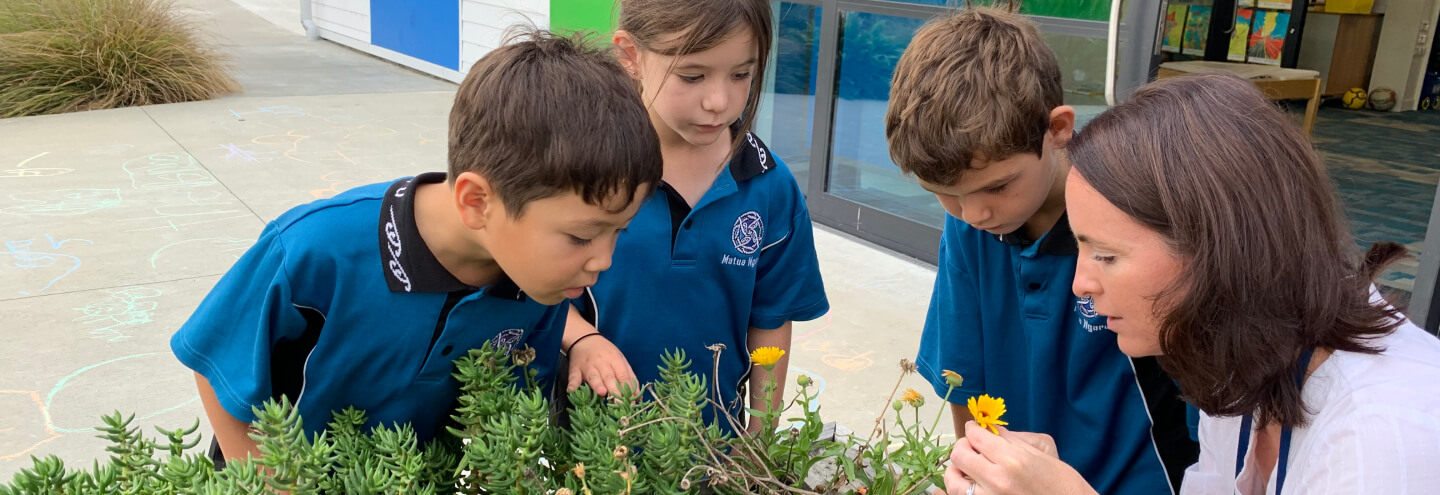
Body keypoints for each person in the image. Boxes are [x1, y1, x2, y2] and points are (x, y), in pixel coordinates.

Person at [170, 29, 664, 463]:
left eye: (617, 232)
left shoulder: (539, 289)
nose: (603, 260)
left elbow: (505, 428)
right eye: (581, 236)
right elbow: (216, 368)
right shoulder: (318, 249)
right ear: (477, 202)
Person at [944, 72, 1440, 494]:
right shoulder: (1238, 359)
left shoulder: (1384, 440)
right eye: (1081, 247)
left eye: (1107, 254)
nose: (1080, 284)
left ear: (1222, 250)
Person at [885, 6, 1196, 493]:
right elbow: (963, 381)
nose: (974, 214)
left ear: (1058, 129)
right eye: (943, 193)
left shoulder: (1136, 216)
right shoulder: (969, 229)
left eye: (997, 186)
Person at [560, 0, 829, 435]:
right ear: (631, 56)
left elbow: (772, 320)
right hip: (593, 448)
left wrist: (761, 438)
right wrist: (581, 338)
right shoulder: (579, 165)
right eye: (692, 75)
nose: (719, 101)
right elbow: (529, 286)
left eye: (742, 74)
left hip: (717, 450)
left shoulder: (770, 187)